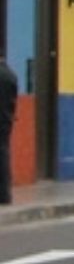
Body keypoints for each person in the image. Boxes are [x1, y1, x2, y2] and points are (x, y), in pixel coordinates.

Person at [0, 55, 17, 204]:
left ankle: (4, 194)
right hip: (6, 120)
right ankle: (4, 194)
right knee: (3, 154)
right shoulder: (11, 75)